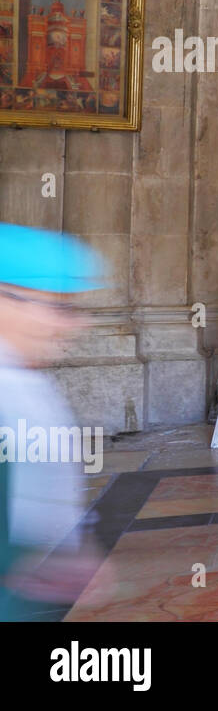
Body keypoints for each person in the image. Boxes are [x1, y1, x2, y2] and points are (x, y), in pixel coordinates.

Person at [0, 224, 106, 620]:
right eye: (60, 307)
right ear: (6, 299)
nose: (76, 325)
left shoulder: (24, 383)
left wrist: (70, 555)